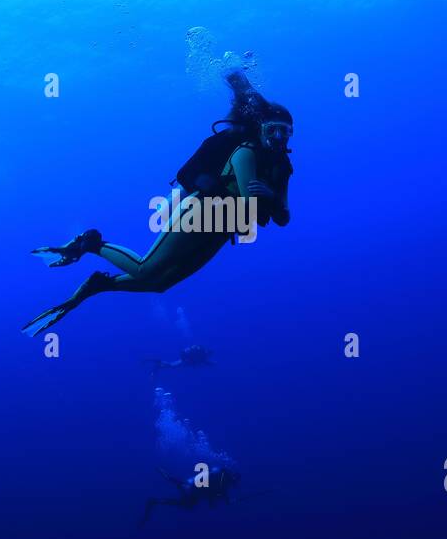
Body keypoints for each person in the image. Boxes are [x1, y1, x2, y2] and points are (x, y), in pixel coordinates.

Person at [24, 71, 292, 335]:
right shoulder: (246, 152)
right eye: (272, 130)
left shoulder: (282, 168)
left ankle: (99, 285)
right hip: (201, 214)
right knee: (145, 269)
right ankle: (91, 243)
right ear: (260, 129)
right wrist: (270, 198)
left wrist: (271, 197)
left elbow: (283, 218)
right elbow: (250, 202)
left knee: (161, 283)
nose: (278, 138)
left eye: (285, 132)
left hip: (223, 230)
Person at [139, 466, 241, 526]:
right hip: (193, 488)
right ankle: (156, 500)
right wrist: (223, 500)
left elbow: (213, 494)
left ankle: (156, 500)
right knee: (185, 501)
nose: (233, 485)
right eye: (234, 482)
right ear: (233, 479)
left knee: (185, 500)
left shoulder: (222, 482)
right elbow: (213, 493)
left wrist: (220, 500)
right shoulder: (222, 483)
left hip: (193, 488)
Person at [145, 344, 214, 374]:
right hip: (186, 360)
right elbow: (205, 362)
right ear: (208, 353)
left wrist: (211, 364)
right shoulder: (203, 355)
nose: (209, 356)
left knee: (171, 365)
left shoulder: (202, 354)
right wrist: (212, 364)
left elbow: (205, 362)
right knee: (172, 365)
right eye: (209, 354)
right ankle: (158, 362)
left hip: (185, 359)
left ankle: (159, 365)